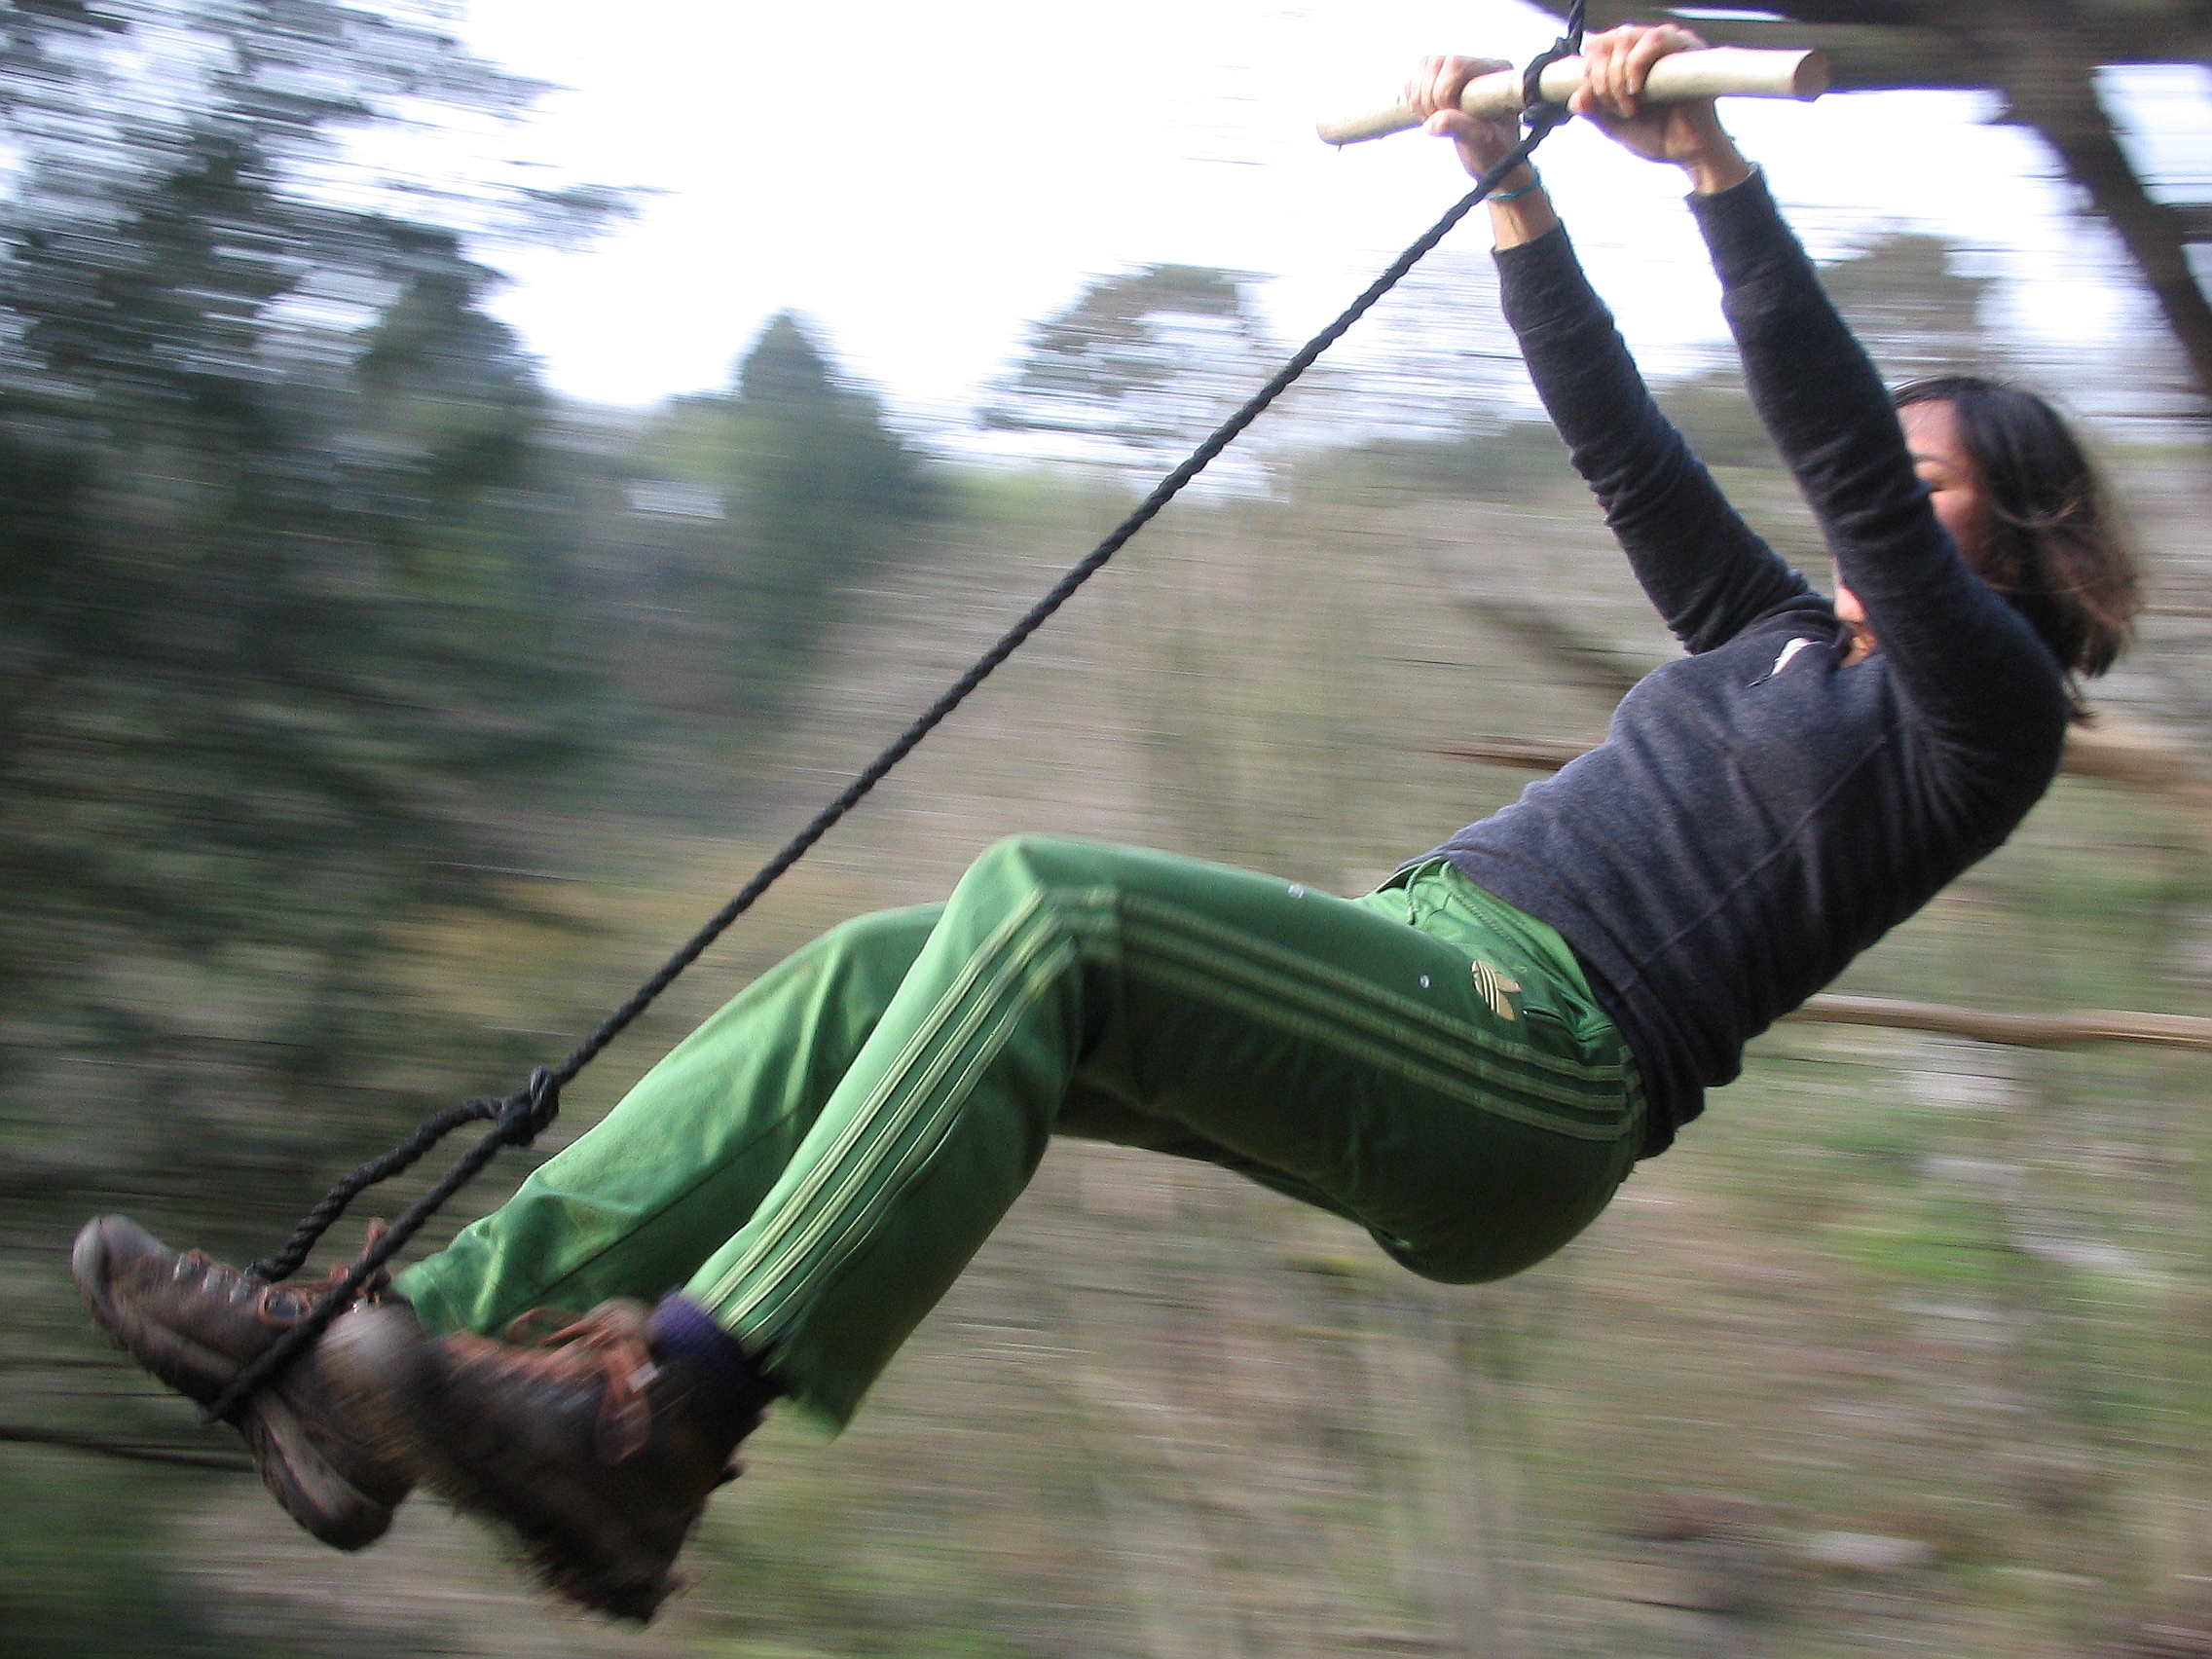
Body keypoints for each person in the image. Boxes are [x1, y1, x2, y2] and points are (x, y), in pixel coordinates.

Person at [73, 24, 2138, 1624]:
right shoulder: (1777, 641)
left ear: (2009, 537)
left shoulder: (1982, 719)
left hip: (1538, 1072)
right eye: (1888, 470)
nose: (1870, 491)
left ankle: (664, 1419)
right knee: (895, 967)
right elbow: (1622, 456)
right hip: (1424, 967)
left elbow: (1836, 456)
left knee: (1043, 909)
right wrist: (1505, 188)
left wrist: (1709, 178)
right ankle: (380, 1362)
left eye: (1925, 477)